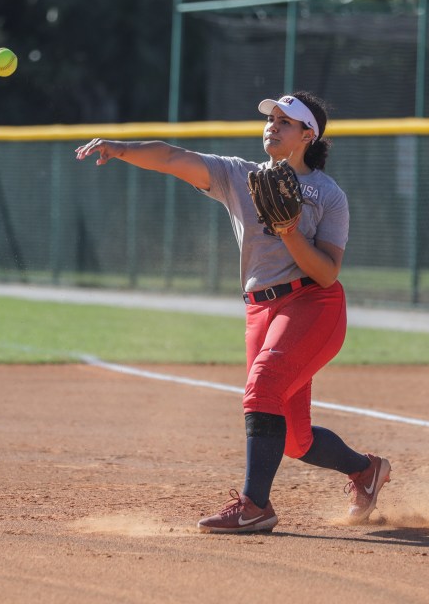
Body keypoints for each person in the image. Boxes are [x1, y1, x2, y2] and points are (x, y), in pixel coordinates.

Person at [75, 91, 390, 533]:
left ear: (307, 135)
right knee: (296, 439)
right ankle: (365, 471)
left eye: (285, 121)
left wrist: (290, 231)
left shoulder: (328, 194)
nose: (272, 126)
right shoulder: (242, 176)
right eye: (271, 119)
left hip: (311, 305)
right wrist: (119, 148)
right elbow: (173, 157)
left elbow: (326, 273)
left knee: (262, 389)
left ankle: (254, 506)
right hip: (260, 311)